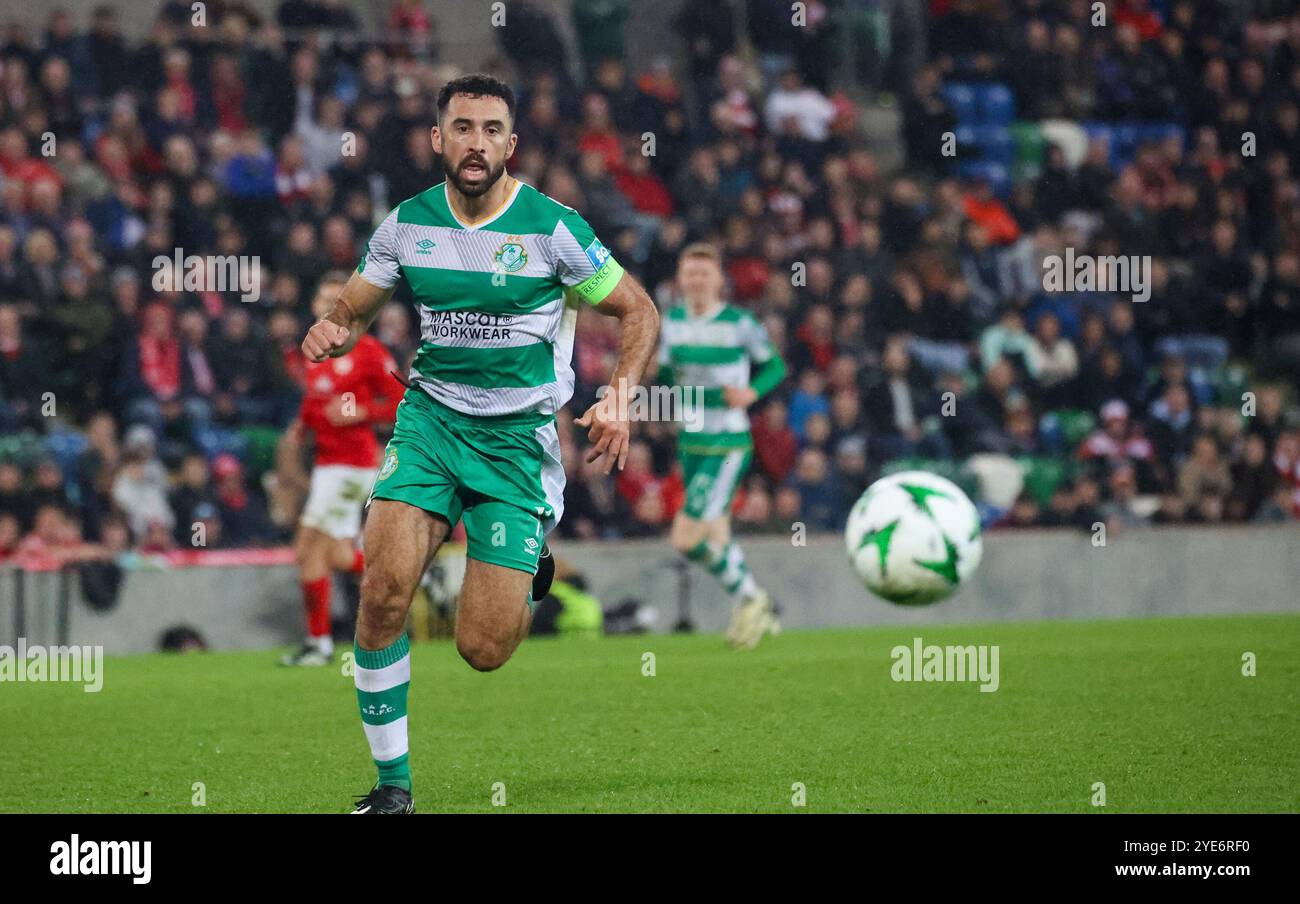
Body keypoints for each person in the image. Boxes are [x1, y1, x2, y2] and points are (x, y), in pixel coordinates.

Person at [300, 74, 658, 813]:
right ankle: (392, 787)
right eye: (462, 128)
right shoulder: (407, 225)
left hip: (516, 444)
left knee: (483, 650)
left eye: (492, 130)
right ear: (438, 138)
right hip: (429, 425)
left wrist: (620, 395)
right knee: (382, 592)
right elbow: (354, 307)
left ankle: (528, 573)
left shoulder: (552, 228)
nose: (476, 143)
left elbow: (639, 311)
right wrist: (334, 326)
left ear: (511, 144)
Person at [657, 243, 786, 649]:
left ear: (718, 280)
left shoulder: (738, 322)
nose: (696, 280)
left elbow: (775, 366)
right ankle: (758, 610)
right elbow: (665, 377)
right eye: (690, 273)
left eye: (704, 273)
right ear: (680, 279)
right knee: (716, 532)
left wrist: (750, 393)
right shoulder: (672, 322)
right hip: (690, 440)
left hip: (726, 441)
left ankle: (752, 598)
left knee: (685, 538)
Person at [280, 272, 401, 667]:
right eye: (325, 300)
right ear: (315, 305)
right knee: (335, 555)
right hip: (326, 464)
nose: (330, 307)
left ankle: (319, 645)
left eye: (339, 300)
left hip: (352, 466)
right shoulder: (316, 351)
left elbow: (401, 401)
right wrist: (302, 426)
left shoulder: (368, 351)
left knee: (307, 548)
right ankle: (407, 570)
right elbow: (317, 400)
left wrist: (361, 411)